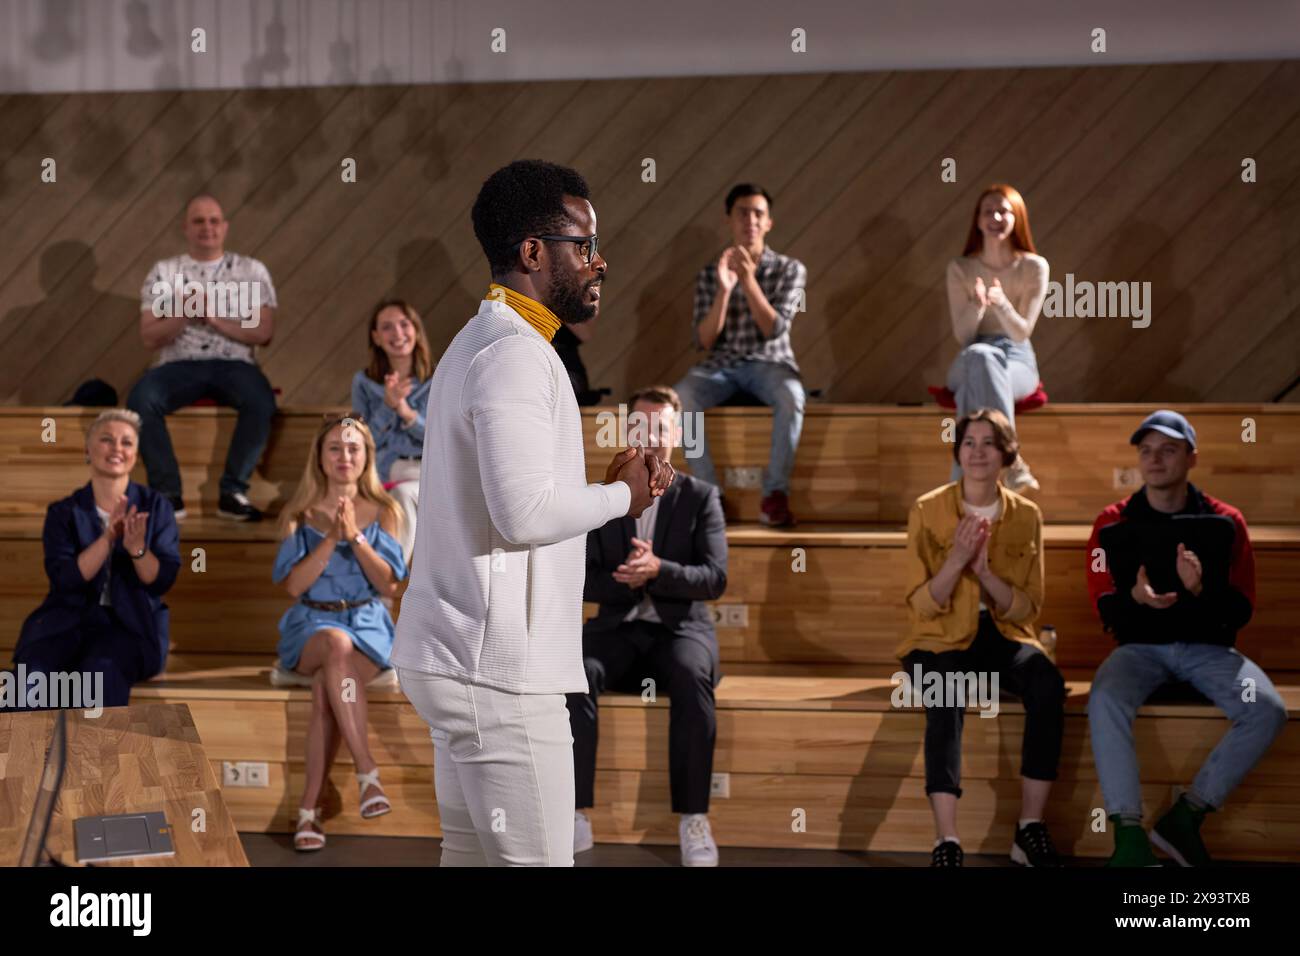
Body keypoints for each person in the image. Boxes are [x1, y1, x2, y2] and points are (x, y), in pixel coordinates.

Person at [393, 159, 673, 867]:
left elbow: (511, 498)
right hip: (500, 675)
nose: (598, 260)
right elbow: (520, 515)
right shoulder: (517, 354)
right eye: (584, 244)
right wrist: (625, 499)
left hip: (457, 658)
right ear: (532, 252)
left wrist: (596, 486)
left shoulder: (476, 343)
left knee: (469, 857)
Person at [1085, 410, 1287, 867]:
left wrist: (1200, 591)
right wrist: (1134, 598)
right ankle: (1129, 835)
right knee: (1104, 697)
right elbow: (1100, 597)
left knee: (1268, 710)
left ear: (1192, 457)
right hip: (1137, 650)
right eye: (1146, 451)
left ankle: (1187, 816)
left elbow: (1242, 606)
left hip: (1209, 650)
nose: (1155, 460)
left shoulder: (1228, 521)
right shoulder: (1108, 522)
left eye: (1169, 449)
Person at [568, 385, 727, 866]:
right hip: (616, 630)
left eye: (660, 426)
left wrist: (659, 570)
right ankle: (575, 811)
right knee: (575, 673)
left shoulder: (702, 497)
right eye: (640, 426)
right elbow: (583, 578)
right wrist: (627, 581)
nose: (651, 436)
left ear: (677, 433)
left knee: (692, 676)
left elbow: (715, 579)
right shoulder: (602, 497)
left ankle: (694, 819)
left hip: (680, 631)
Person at [898, 408, 1065, 867]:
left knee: (1048, 685)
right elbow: (918, 604)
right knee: (945, 692)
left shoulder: (1027, 516)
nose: (976, 452)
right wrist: (956, 562)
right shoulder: (927, 508)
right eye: (969, 442)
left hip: (1000, 634)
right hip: (937, 636)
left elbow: (1029, 606)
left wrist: (986, 573)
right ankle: (946, 841)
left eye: (988, 443)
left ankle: (1029, 828)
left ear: (1007, 455)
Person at [272, 414, 408, 852]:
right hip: (312, 624)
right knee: (334, 643)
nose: (344, 456)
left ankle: (308, 810)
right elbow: (293, 586)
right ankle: (367, 771)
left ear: (366, 456)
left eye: (353, 448)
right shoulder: (298, 515)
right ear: (320, 457)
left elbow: (389, 585)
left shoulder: (387, 511)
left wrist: (357, 538)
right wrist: (332, 537)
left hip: (367, 624)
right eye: (335, 447)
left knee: (325, 692)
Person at [12, 409, 180, 709]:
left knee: (100, 674)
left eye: (127, 442)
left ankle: (88, 757)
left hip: (128, 627)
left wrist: (137, 548)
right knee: (30, 679)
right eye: (107, 440)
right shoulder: (63, 512)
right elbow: (65, 579)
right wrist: (106, 540)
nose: (117, 448)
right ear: (87, 450)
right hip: (65, 621)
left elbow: (161, 580)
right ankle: (25, 756)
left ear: (136, 453)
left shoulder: (157, 507)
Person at [127, 194, 278, 521]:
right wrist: (183, 312)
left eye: (213, 221)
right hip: (178, 364)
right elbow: (149, 337)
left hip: (235, 364)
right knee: (141, 398)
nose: (207, 227)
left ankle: (233, 492)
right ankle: (167, 493)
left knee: (261, 400)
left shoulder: (249, 270)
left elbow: (264, 334)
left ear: (224, 227)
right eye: (198, 221)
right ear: (186, 228)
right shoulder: (166, 273)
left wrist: (212, 316)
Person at [673, 183, 807, 527]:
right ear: (729, 221)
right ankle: (709, 496)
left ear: (768, 223)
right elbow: (703, 341)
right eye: (742, 213)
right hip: (721, 366)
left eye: (758, 214)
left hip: (770, 362)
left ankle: (774, 495)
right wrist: (725, 289)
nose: (750, 220)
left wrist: (748, 281)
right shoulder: (709, 272)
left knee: (792, 395)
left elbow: (774, 329)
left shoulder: (789, 269)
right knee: (683, 396)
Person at [945, 184, 1048, 493]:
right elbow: (963, 336)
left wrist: (1001, 303)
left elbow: (1021, 332)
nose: (996, 217)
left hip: (1016, 358)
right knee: (979, 355)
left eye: (1004, 211)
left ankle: (960, 484)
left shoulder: (1034, 266)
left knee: (970, 392)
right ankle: (1013, 462)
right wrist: (977, 305)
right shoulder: (960, 268)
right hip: (969, 356)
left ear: (1017, 217)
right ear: (977, 220)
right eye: (988, 211)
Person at [351, 299, 433, 566]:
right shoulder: (364, 382)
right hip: (387, 470)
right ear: (376, 337)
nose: (397, 334)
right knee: (394, 497)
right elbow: (363, 442)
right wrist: (388, 405)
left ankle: (388, 576)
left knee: (404, 495)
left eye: (404, 324)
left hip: (429, 470)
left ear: (416, 330)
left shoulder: (439, 376)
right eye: (387, 327)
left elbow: (441, 438)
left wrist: (406, 413)